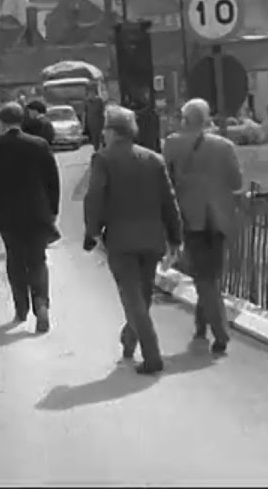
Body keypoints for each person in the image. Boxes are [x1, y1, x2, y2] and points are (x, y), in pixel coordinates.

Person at [82, 106, 183, 375]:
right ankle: (130, 338)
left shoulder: (103, 159)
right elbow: (169, 200)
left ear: (113, 131)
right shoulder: (153, 159)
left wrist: (93, 231)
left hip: (121, 239)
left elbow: (95, 196)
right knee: (143, 295)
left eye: (105, 129)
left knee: (132, 297)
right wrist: (175, 237)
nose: (103, 134)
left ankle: (152, 355)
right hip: (152, 238)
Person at [163, 98, 243, 356]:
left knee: (203, 278)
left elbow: (165, 181)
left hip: (189, 218)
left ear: (185, 119)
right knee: (210, 276)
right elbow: (236, 182)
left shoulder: (172, 144)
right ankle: (201, 325)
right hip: (219, 219)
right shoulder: (225, 146)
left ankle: (219, 333)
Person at [0, 102, 60, 333]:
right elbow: (52, 181)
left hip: (8, 215)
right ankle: (41, 304)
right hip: (37, 212)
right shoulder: (39, 145)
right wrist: (52, 210)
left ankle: (21, 308)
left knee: (15, 260)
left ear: (1, 123)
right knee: (38, 260)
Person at [84, 86, 106, 150]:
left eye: (92, 93)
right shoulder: (87, 102)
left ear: (95, 93)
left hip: (99, 124)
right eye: (89, 94)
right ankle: (97, 150)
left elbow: (104, 111)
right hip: (91, 124)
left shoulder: (99, 101)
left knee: (101, 138)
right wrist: (84, 124)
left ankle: (103, 150)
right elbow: (85, 113)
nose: (90, 95)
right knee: (94, 139)